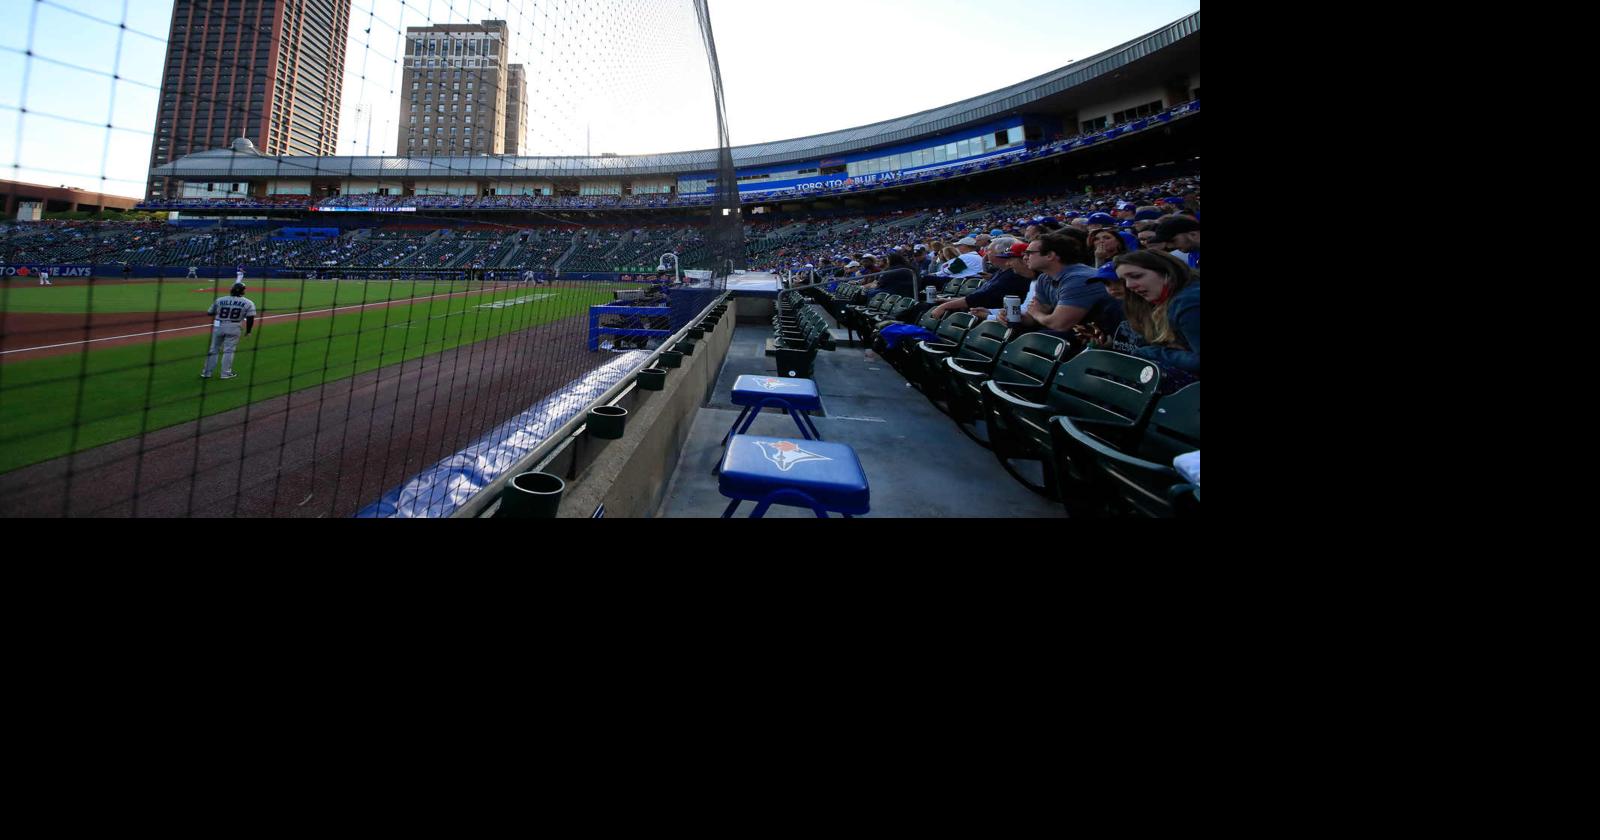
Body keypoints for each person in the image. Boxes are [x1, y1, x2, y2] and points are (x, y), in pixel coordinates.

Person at [1112, 249, 1199, 378]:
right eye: (1124, 280)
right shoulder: (1161, 302)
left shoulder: (1189, 301)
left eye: (1136, 276)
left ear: (1166, 272)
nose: (1129, 285)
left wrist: (1152, 353)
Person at [201, 281, 256, 380]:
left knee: (213, 349)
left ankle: (206, 373)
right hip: (234, 327)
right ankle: (225, 374)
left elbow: (209, 313)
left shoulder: (220, 300)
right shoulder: (248, 302)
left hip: (218, 326)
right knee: (229, 351)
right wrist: (248, 331)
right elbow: (250, 318)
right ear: (243, 291)